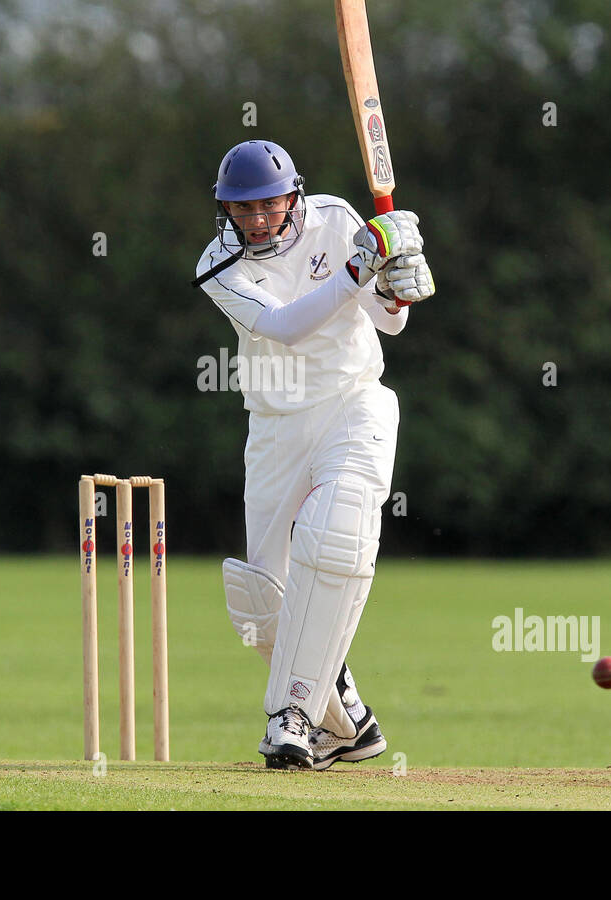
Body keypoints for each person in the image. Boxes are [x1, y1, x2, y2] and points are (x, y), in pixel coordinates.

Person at [192, 140, 435, 769]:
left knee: (336, 533)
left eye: (269, 205)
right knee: (259, 602)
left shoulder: (336, 218)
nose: (257, 220)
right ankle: (345, 720)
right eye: (242, 210)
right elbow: (286, 324)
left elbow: (389, 322)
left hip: (354, 399)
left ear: (293, 196)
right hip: (275, 425)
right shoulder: (219, 267)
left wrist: (397, 285)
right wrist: (362, 272)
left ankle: (291, 716)